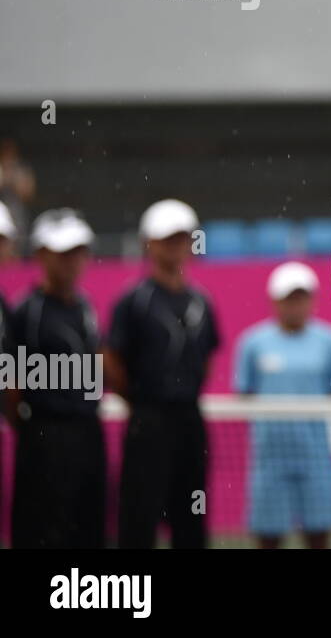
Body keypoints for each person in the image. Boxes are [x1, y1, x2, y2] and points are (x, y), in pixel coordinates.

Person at [105, 199, 220, 549]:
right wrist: (142, 400)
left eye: (182, 238)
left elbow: (207, 359)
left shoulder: (202, 301)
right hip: (147, 422)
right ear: (148, 244)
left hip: (189, 421)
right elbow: (111, 360)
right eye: (167, 238)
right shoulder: (133, 301)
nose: (176, 246)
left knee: (191, 523)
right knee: (139, 520)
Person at [1, 209, 106, 548]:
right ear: (41, 255)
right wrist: (32, 426)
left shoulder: (86, 307)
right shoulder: (25, 312)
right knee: (40, 531)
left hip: (89, 432)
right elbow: (11, 382)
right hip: (44, 435)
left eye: (79, 251)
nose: (72, 261)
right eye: (63, 253)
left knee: (88, 527)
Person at [234, 261, 331, 549]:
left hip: (315, 456)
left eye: (301, 297)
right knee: (268, 539)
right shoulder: (252, 343)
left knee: (318, 537)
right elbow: (243, 394)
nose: (295, 305)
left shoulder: (330, 342)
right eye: (288, 298)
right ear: (275, 301)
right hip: (269, 457)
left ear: (312, 300)